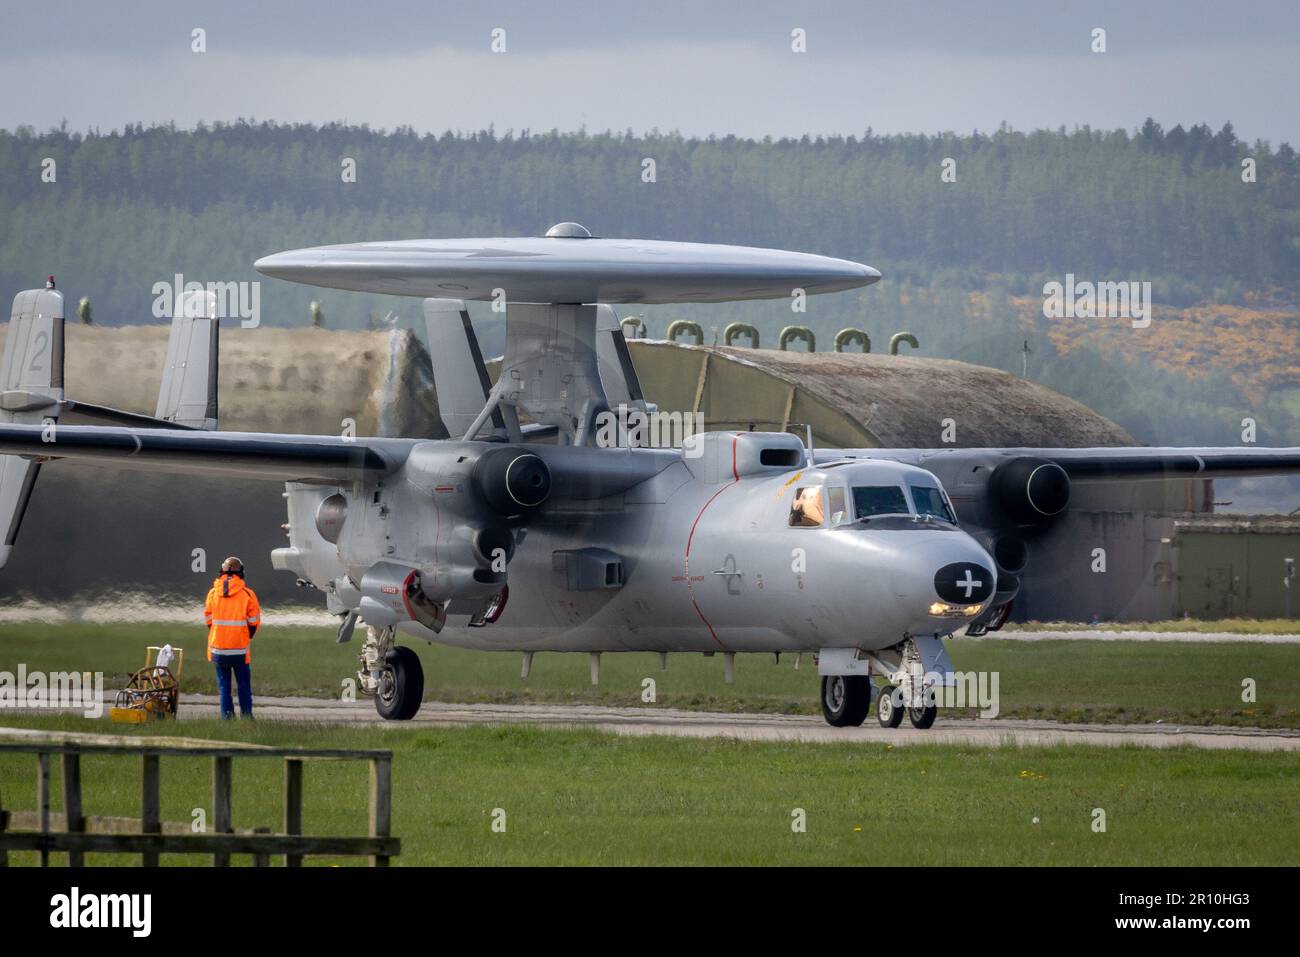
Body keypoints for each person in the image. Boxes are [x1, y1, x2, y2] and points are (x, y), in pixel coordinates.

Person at [204, 556, 262, 719]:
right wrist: (245, 636)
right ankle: (247, 717)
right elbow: (254, 622)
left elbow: (208, 619)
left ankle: (227, 717)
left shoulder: (213, 593)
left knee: (224, 688)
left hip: (219, 649)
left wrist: (219, 633)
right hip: (240, 650)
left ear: (221, 571)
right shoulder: (247, 595)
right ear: (241, 572)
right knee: (243, 686)